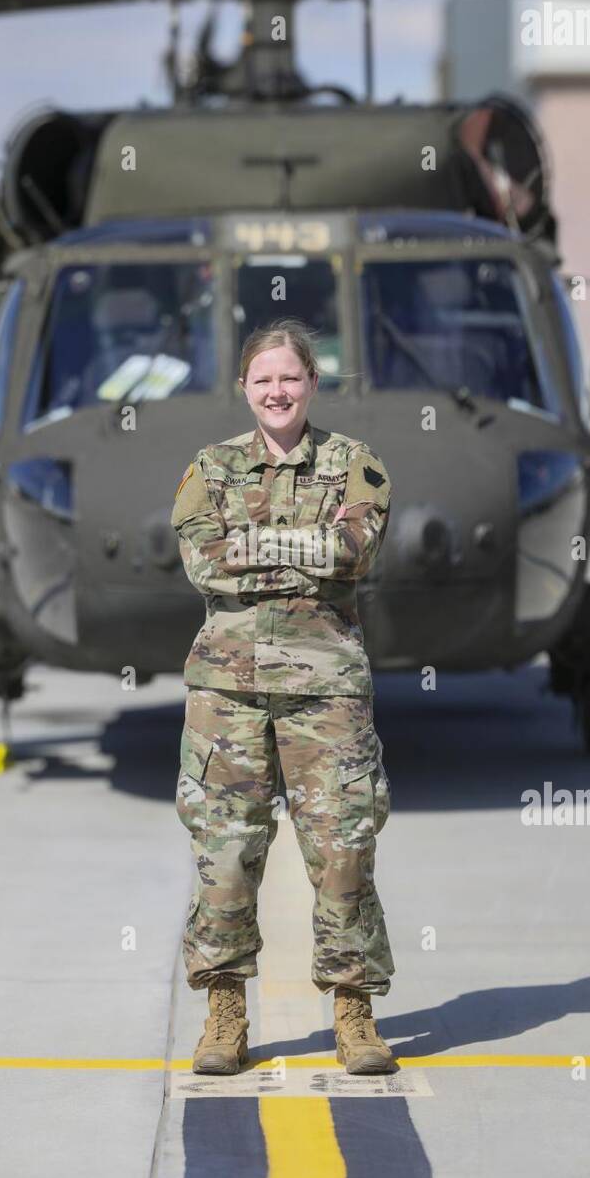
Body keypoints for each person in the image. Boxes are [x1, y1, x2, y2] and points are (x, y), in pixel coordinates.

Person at [170, 317, 396, 1077]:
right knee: (225, 855)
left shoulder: (354, 464)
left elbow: (352, 553)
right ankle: (224, 1011)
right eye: (264, 379)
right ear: (244, 387)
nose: (277, 391)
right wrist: (303, 552)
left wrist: (258, 545)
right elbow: (205, 564)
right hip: (227, 695)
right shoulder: (210, 466)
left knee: (342, 852)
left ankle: (355, 1011)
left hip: (326, 691)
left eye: (290, 378)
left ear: (312, 384)